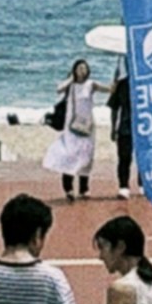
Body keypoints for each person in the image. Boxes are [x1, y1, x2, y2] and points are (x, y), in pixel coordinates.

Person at [45, 60, 97, 206]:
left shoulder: (91, 84)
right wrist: (71, 79)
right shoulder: (71, 85)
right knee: (70, 155)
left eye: (85, 68)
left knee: (86, 155)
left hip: (87, 125)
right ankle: (68, 188)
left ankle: (84, 188)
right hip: (71, 125)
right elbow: (59, 89)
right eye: (80, 68)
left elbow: (109, 89)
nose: (83, 71)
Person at [109, 62, 134, 192]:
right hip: (125, 127)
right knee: (124, 157)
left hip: (145, 127)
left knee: (146, 158)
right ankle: (123, 185)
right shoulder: (122, 83)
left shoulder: (148, 83)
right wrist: (113, 128)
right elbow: (114, 107)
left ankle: (143, 184)